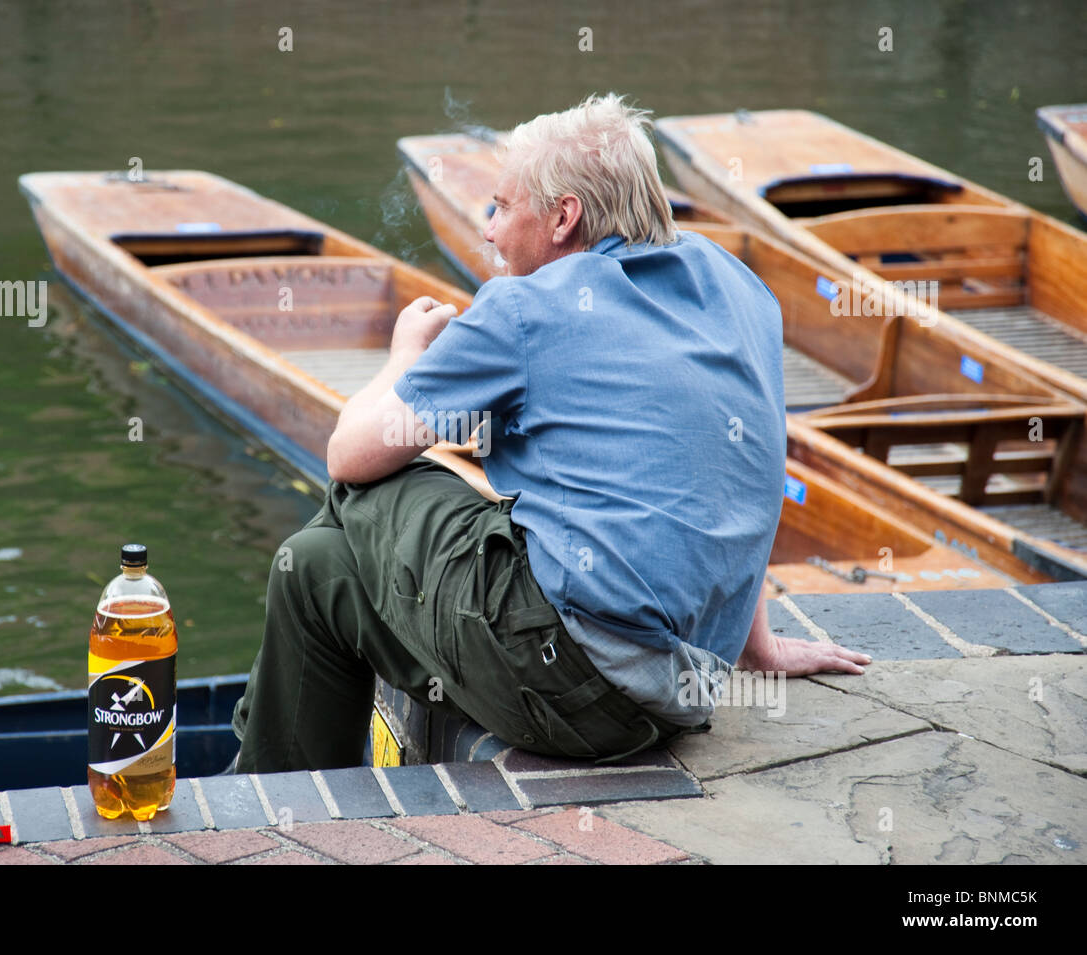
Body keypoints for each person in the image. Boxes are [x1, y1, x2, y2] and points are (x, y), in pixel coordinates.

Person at [228, 93, 870, 773]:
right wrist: (757, 648)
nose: (489, 232)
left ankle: (266, 800)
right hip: (686, 690)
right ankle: (284, 791)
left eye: (501, 207)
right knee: (315, 567)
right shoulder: (737, 286)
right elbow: (737, 462)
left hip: (574, 690)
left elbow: (348, 456)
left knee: (362, 496)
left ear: (564, 217)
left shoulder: (527, 306)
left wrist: (404, 356)